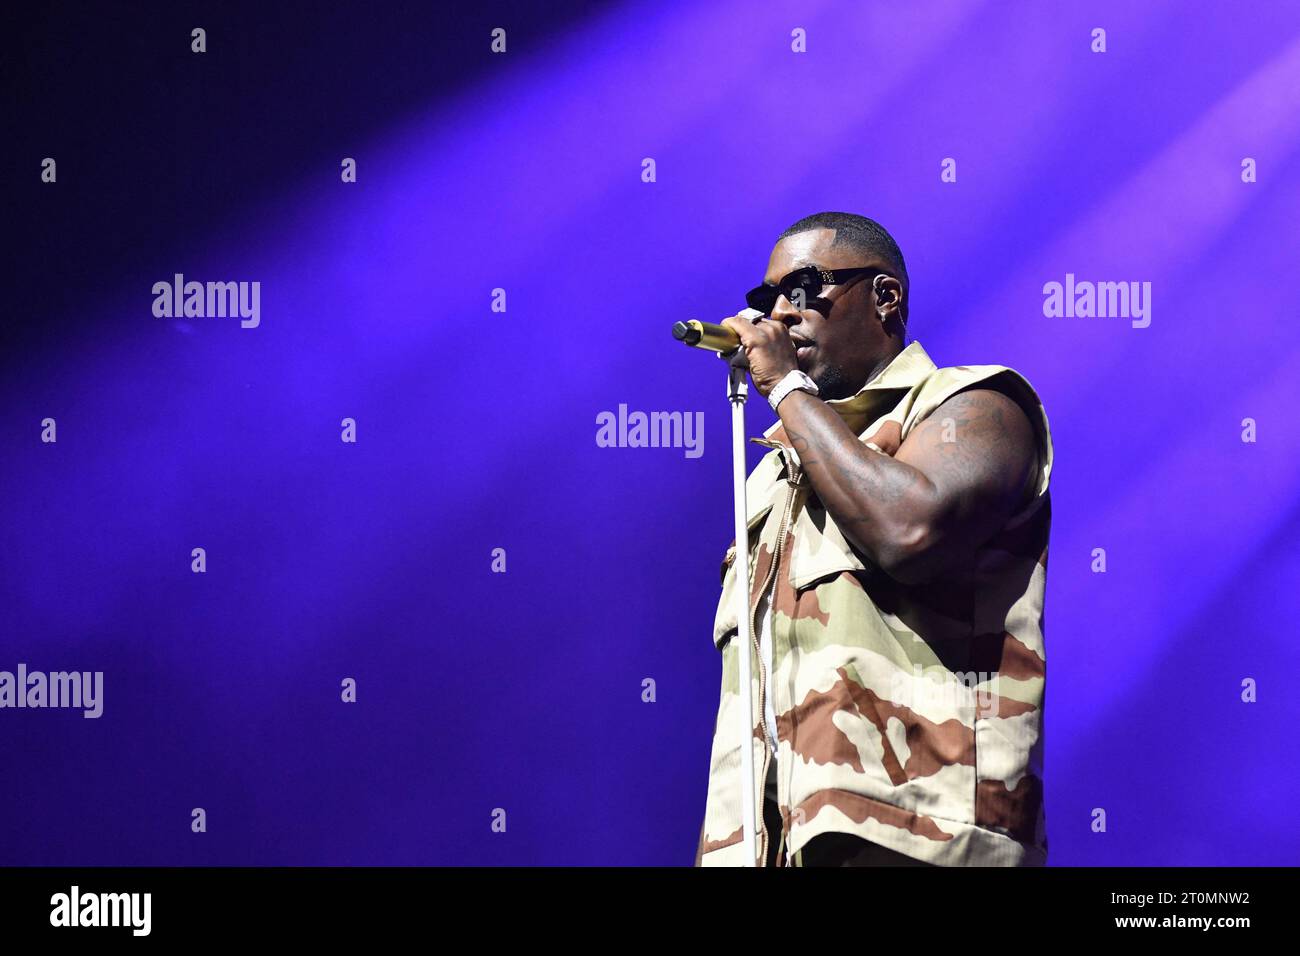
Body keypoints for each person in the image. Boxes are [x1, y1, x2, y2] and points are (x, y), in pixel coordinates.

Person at [693, 212, 1053, 867]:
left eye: (802, 289)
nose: (778, 313)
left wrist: (785, 388)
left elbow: (909, 532)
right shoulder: (775, 472)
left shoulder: (974, 407)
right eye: (764, 299)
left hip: (921, 836)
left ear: (885, 296)